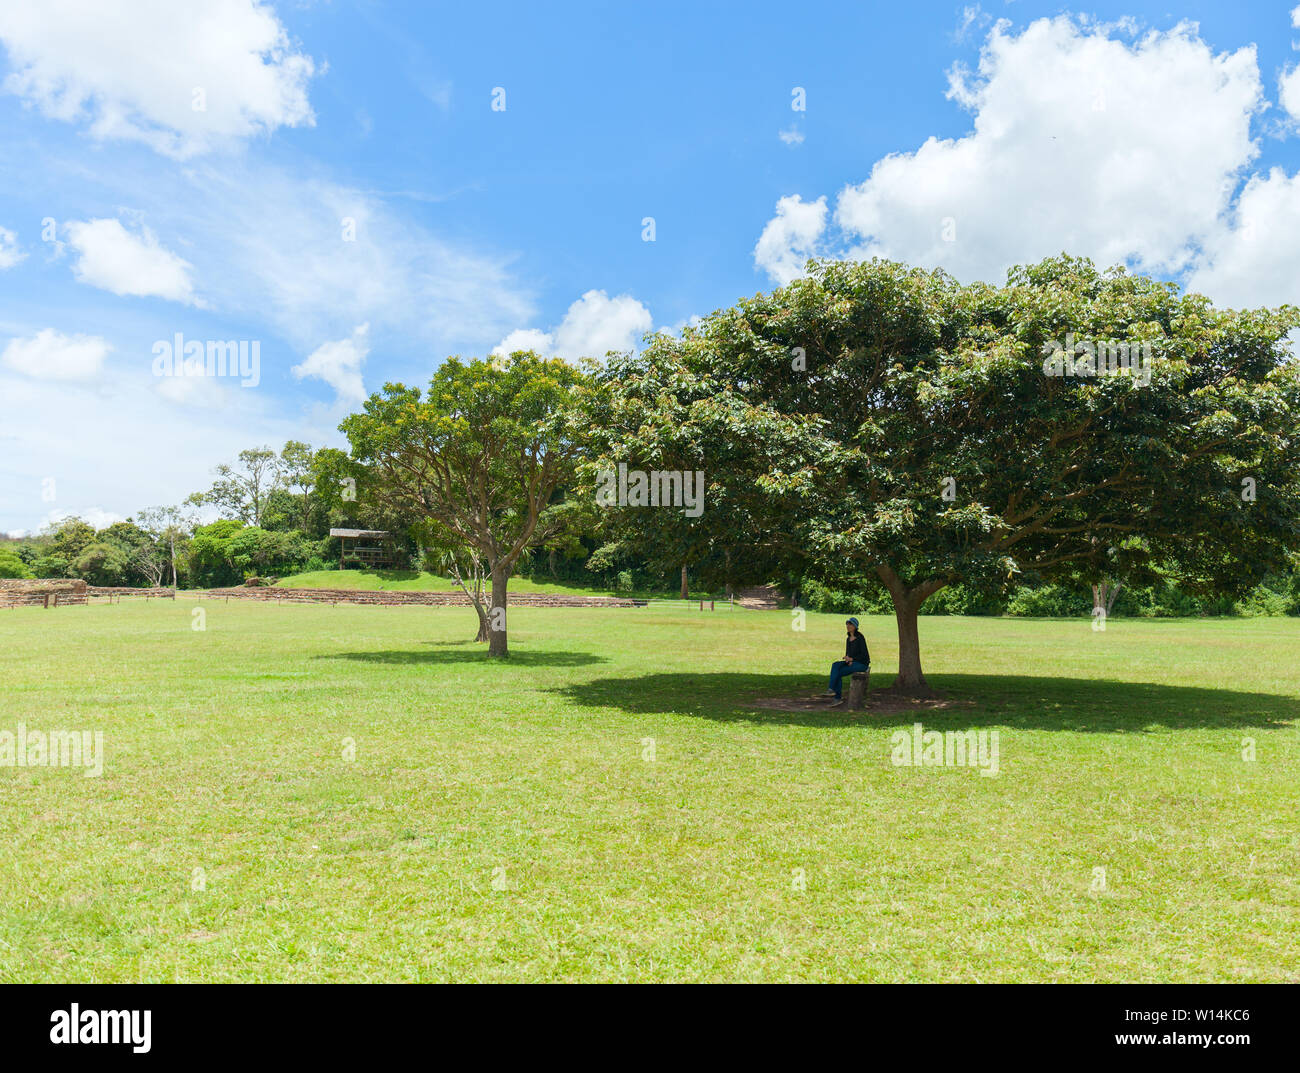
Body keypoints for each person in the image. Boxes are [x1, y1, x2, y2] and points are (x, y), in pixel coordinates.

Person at [823, 617, 870, 701]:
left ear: (855, 626)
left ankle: (837, 697)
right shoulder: (848, 639)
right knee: (835, 665)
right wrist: (847, 659)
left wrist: (852, 659)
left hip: (862, 664)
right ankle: (831, 689)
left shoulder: (860, 638)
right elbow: (848, 653)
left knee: (838, 673)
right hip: (852, 662)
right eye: (847, 624)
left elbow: (864, 655)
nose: (848, 626)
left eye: (850, 624)